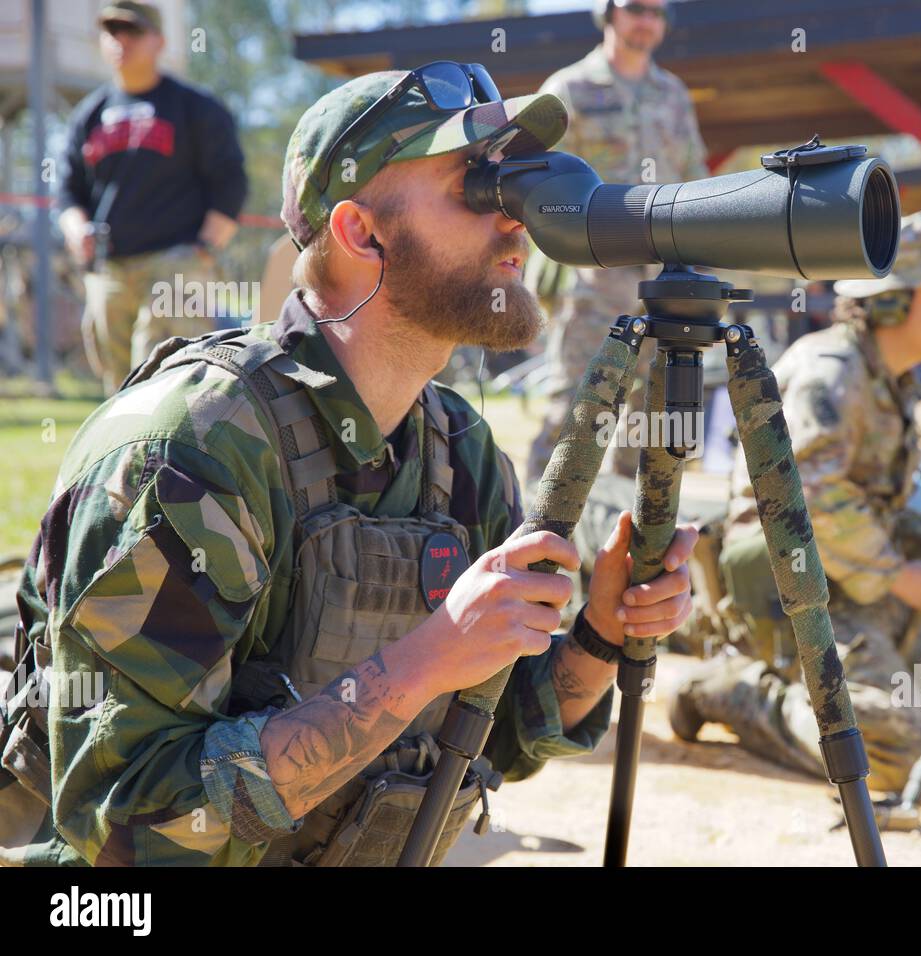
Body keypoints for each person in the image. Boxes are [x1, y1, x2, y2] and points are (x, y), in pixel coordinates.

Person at [0, 63, 697, 866]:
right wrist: (422, 661)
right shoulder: (192, 451)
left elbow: (495, 736)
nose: (516, 223)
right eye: (476, 187)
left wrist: (600, 635)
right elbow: (130, 824)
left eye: (512, 185)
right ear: (361, 233)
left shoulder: (457, 451)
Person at [667, 212, 921, 794]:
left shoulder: (890, 378)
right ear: (889, 304)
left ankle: (863, 691)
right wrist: (898, 575)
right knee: (890, 750)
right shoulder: (828, 373)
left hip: (863, 585)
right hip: (799, 590)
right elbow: (811, 497)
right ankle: (737, 689)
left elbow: (877, 505)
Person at [527, 0, 708, 481]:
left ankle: (628, 533)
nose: (647, 20)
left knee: (654, 414)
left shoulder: (673, 94)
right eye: (635, 9)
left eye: (657, 12)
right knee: (575, 408)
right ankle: (529, 536)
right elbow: (542, 183)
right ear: (608, 13)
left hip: (665, 276)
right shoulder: (569, 89)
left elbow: (695, 177)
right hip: (596, 277)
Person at [57, 1, 248, 394]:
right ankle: (125, 453)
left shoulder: (194, 108)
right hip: (111, 266)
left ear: (159, 41)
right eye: (112, 32)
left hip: (175, 260)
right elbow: (67, 189)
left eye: (133, 31)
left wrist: (205, 249)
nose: (120, 41)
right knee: (119, 385)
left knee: (166, 373)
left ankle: (177, 454)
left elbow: (230, 182)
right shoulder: (89, 115)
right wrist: (76, 230)